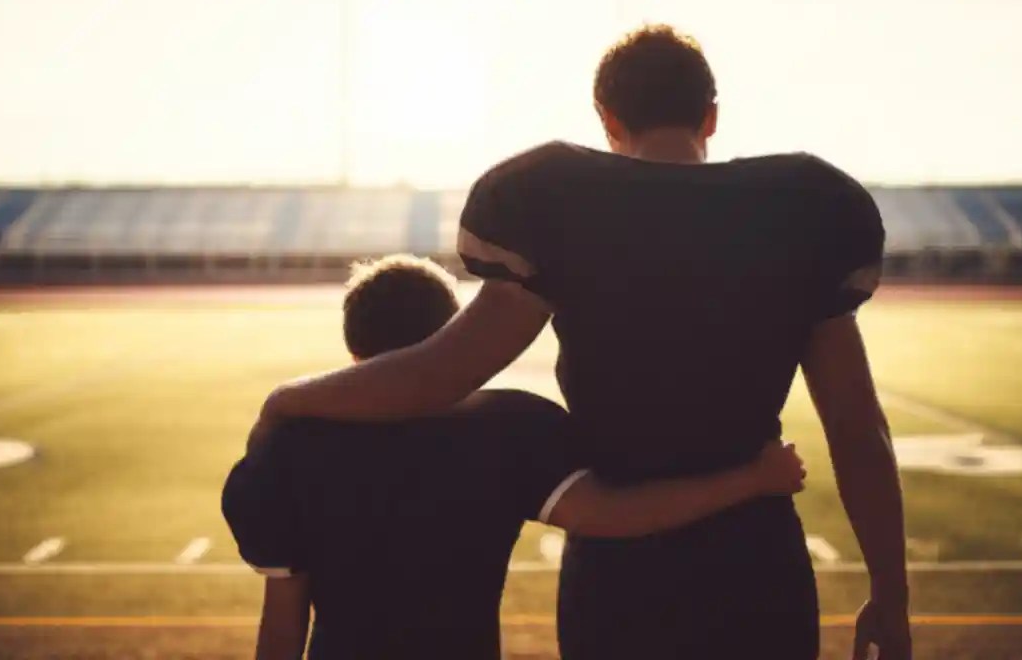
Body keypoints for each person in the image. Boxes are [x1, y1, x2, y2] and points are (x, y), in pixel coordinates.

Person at [254, 25, 911, 659]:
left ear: (607, 118)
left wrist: (290, 398)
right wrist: (890, 594)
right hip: (756, 565)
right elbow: (858, 429)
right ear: (711, 116)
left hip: (622, 579)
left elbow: (439, 375)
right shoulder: (802, 211)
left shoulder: (557, 204)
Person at [225, 255, 809, 660]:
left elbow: (284, 618)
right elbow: (617, 514)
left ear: (354, 350)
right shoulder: (505, 427)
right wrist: (753, 478)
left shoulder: (290, 447)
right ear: (453, 342)